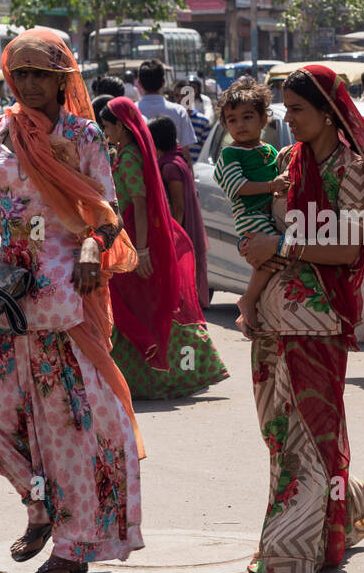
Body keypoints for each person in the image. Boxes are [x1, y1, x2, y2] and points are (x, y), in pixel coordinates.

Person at [0, 28, 144, 573]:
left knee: (64, 420)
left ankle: (73, 544)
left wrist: (93, 246)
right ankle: (38, 504)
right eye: (21, 74)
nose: (31, 84)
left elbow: (107, 213)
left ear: (63, 78)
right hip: (8, 288)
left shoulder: (82, 133)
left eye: (43, 73)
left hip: (63, 288)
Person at [235, 64, 364, 573]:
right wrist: (251, 292)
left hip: (318, 320)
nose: (288, 119)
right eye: (287, 109)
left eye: (298, 110)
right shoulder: (288, 162)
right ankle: (347, 502)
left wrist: (281, 245)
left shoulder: (352, 170)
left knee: (308, 435)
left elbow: (348, 249)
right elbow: (260, 227)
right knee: (278, 432)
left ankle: (289, 550)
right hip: (273, 316)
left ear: (326, 111)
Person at [99, 95, 228, 398]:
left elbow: (140, 205)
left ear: (121, 126)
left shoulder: (129, 157)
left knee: (141, 308)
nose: (106, 133)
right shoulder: (122, 153)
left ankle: (174, 375)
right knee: (133, 308)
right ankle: (127, 379)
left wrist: (140, 251)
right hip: (128, 239)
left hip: (135, 241)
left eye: (108, 127)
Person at [213, 77, 288, 331]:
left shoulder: (270, 151)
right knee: (270, 252)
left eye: (247, 117)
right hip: (252, 216)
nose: (240, 125)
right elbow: (238, 187)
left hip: (270, 214)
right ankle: (248, 300)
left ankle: (255, 307)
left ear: (263, 119)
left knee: (275, 257)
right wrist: (271, 186)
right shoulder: (230, 154)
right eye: (232, 120)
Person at [150, 115, 210, 308]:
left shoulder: (169, 167)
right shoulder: (178, 159)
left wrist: (173, 237)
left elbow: (178, 206)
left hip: (180, 231)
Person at [136, 58, 195, 161]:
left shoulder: (131, 111)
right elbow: (185, 151)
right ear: (163, 82)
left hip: (139, 174)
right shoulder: (179, 111)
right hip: (173, 174)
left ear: (139, 83)